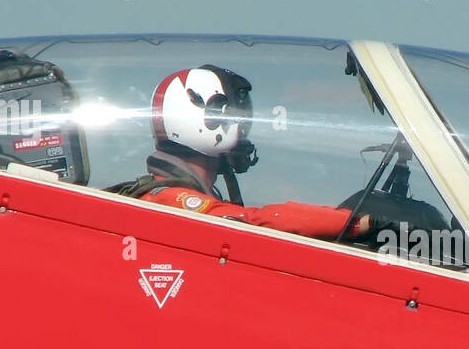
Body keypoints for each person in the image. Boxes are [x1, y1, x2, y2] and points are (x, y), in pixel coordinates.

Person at [113, 64, 381, 240]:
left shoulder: (173, 196)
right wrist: (360, 224)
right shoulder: (169, 200)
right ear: (206, 118)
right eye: (238, 122)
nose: (243, 136)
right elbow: (253, 223)